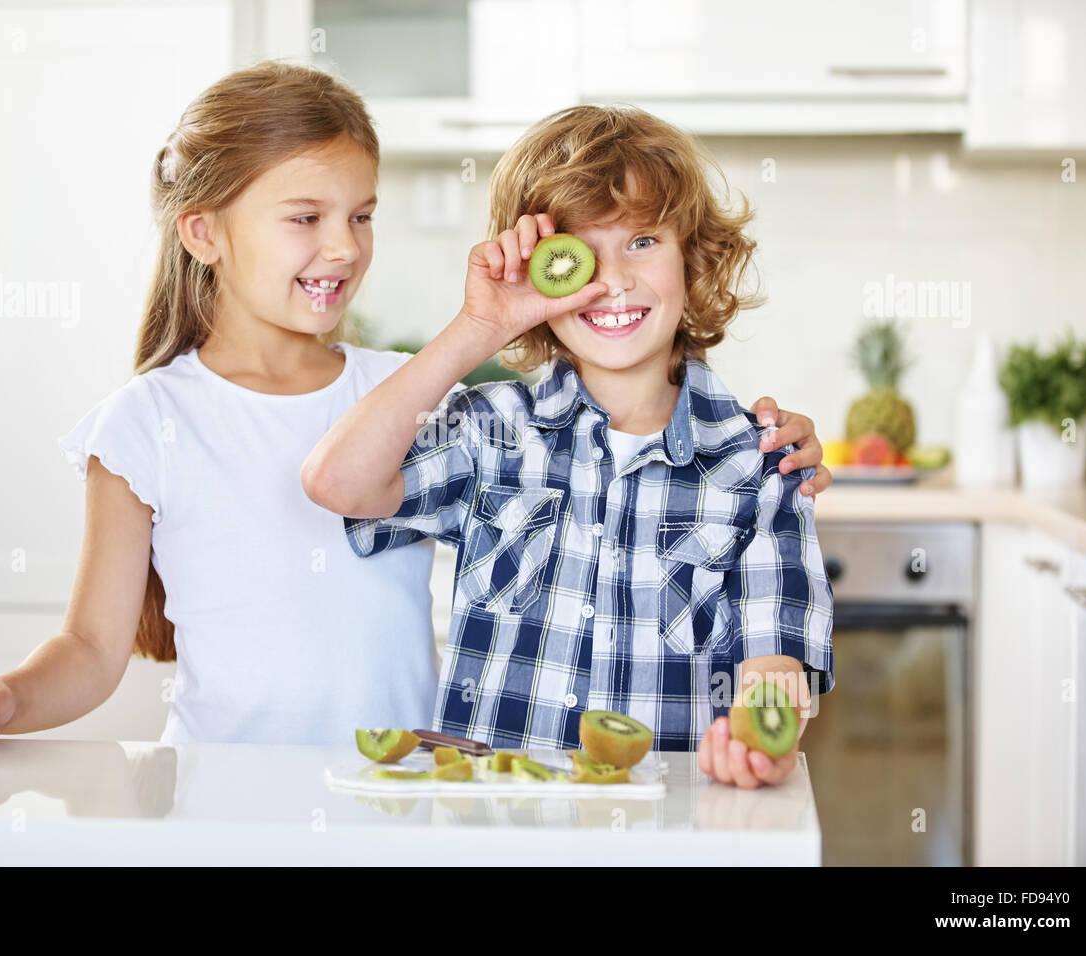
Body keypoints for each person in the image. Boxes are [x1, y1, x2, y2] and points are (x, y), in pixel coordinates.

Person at [0, 64, 829, 759]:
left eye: (362, 215)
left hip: (403, 794)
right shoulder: (155, 421)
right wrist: (5, 700)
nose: (342, 246)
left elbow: (771, 654)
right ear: (204, 232)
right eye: (306, 216)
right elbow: (96, 645)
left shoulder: (412, 391)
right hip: (228, 793)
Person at [303, 104, 835, 788]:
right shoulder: (489, 430)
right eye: (582, 251)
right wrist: (478, 326)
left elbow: (774, 663)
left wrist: (761, 736)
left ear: (694, 259)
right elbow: (335, 481)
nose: (613, 280)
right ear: (543, 270)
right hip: (496, 831)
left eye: (643, 241)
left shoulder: (762, 464)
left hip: (668, 834)